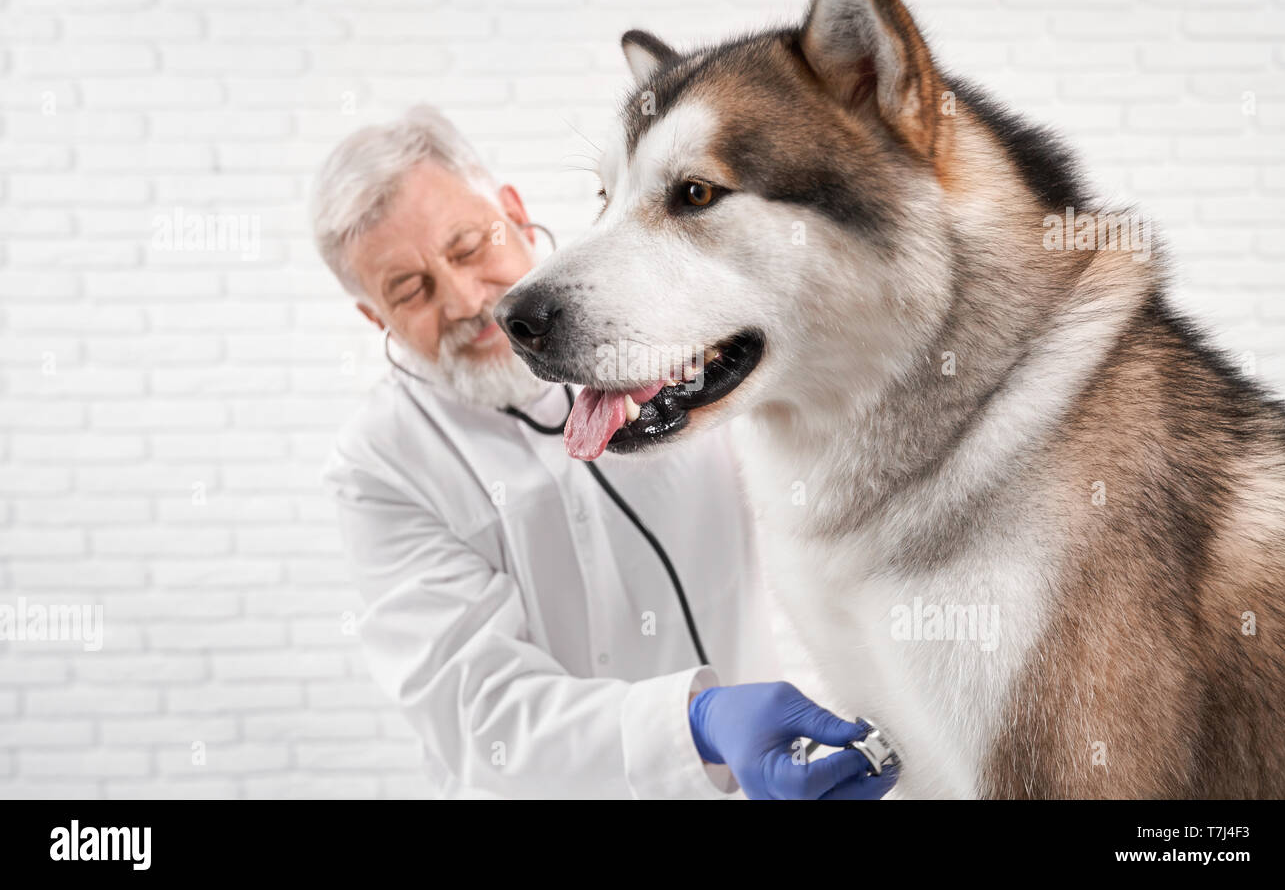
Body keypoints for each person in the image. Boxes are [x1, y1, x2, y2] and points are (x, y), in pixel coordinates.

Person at [312, 104, 893, 799]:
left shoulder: (674, 323)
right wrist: (697, 721)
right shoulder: (380, 462)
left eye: (469, 247)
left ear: (514, 212)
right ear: (374, 318)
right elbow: (481, 711)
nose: (467, 299)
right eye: (410, 290)